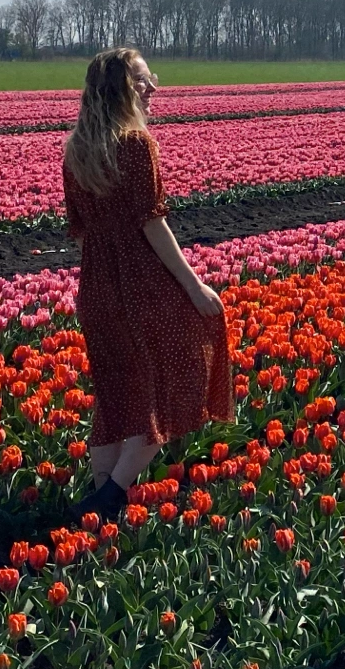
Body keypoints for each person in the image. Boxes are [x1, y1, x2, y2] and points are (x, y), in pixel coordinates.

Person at [62, 48, 232, 518]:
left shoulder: (75, 150)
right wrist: (194, 286)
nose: (153, 86)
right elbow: (151, 224)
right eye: (143, 79)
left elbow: (81, 229)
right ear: (122, 89)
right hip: (143, 284)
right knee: (174, 382)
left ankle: (99, 507)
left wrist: (103, 276)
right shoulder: (136, 145)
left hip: (97, 287)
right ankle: (110, 495)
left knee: (116, 391)